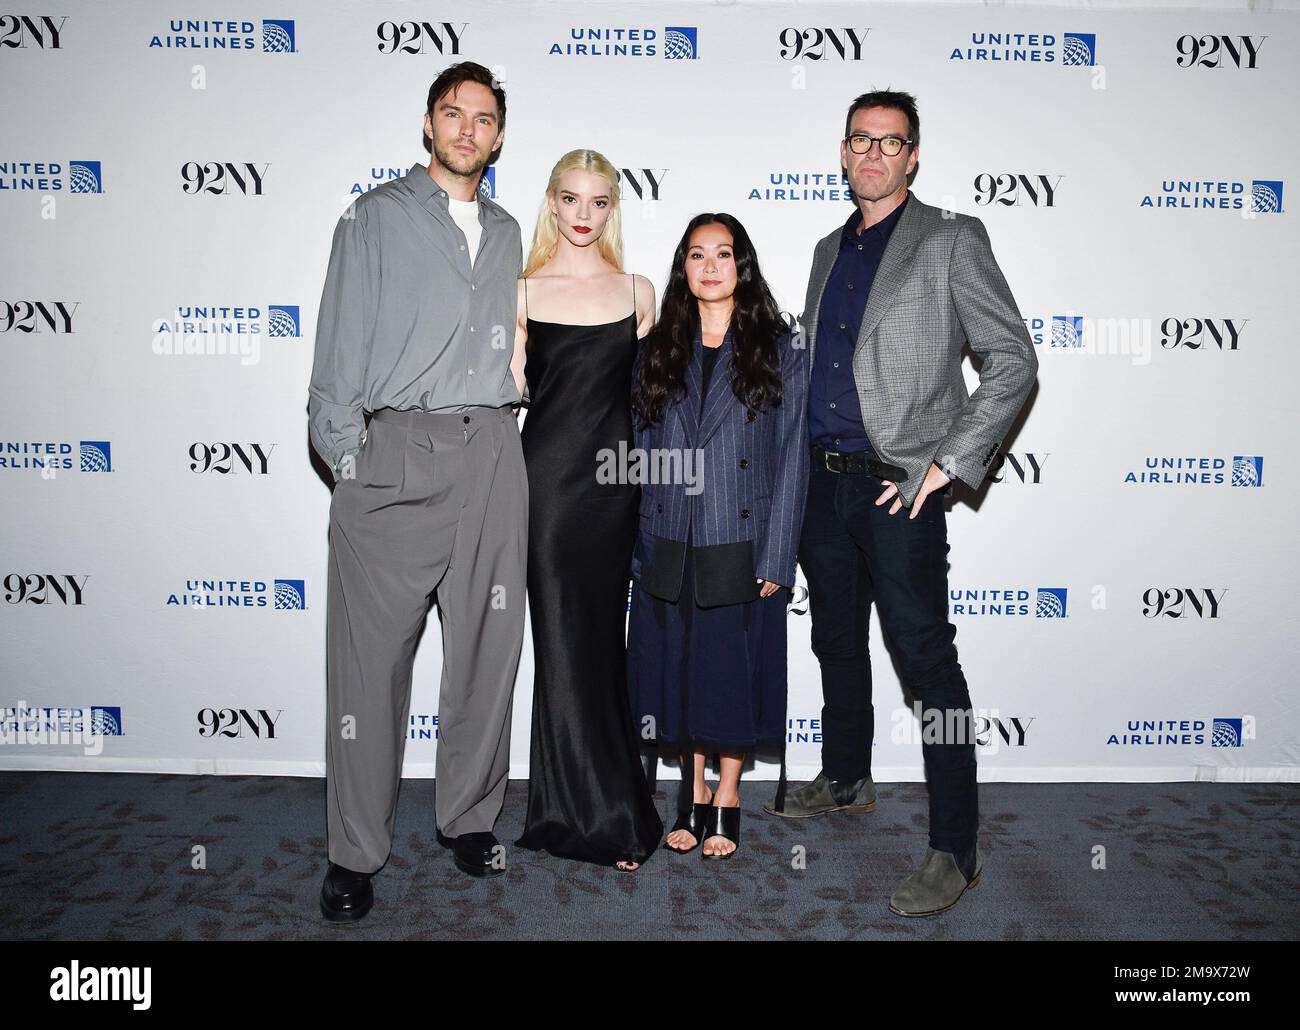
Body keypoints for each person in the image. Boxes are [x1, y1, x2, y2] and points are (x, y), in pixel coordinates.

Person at [766, 89, 1038, 917]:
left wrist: (945, 465)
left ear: (913, 156)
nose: (874, 155)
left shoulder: (951, 239)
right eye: (861, 140)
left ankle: (957, 846)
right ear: (843, 152)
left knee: (928, 665)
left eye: (891, 142)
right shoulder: (824, 249)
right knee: (836, 639)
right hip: (824, 481)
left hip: (899, 488)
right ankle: (847, 776)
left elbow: (1012, 360)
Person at [308, 62, 529, 922]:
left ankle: (469, 821)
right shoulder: (373, 218)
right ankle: (354, 852)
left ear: (499, 136)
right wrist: (352, 468)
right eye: (453, 114)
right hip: (395, 452)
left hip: (494, 456)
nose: (468, 131)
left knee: (486, 654)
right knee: (369, 670)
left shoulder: (513, 230)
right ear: (428, 124)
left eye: (483, 119)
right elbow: (335, 358)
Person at [627, 213, 808, 860]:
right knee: (678, 673)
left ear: (742, 266)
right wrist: (638, 539)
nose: (710, 266)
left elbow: (793, 458)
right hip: (670, 535)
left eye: (723, 254)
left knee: (728, 677)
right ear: (683, 267)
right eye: (697, 254)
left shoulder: (780, 348)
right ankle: (692, 792)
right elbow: (640, 445)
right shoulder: (655, 348)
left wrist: (779, 552)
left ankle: (728, 794)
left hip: (742, 535)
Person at [511, 149, 663, 871]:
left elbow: (647, 401)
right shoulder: (521, 290)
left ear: (612, 209)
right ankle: (573, 811)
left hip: (614, 489)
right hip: (543, 486)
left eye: (598, 202)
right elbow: (511, 395)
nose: (582, 214)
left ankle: (614, 806)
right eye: (570, 198)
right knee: (561, 642)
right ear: (550, 202)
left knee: (604, 641)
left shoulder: (639, 291)